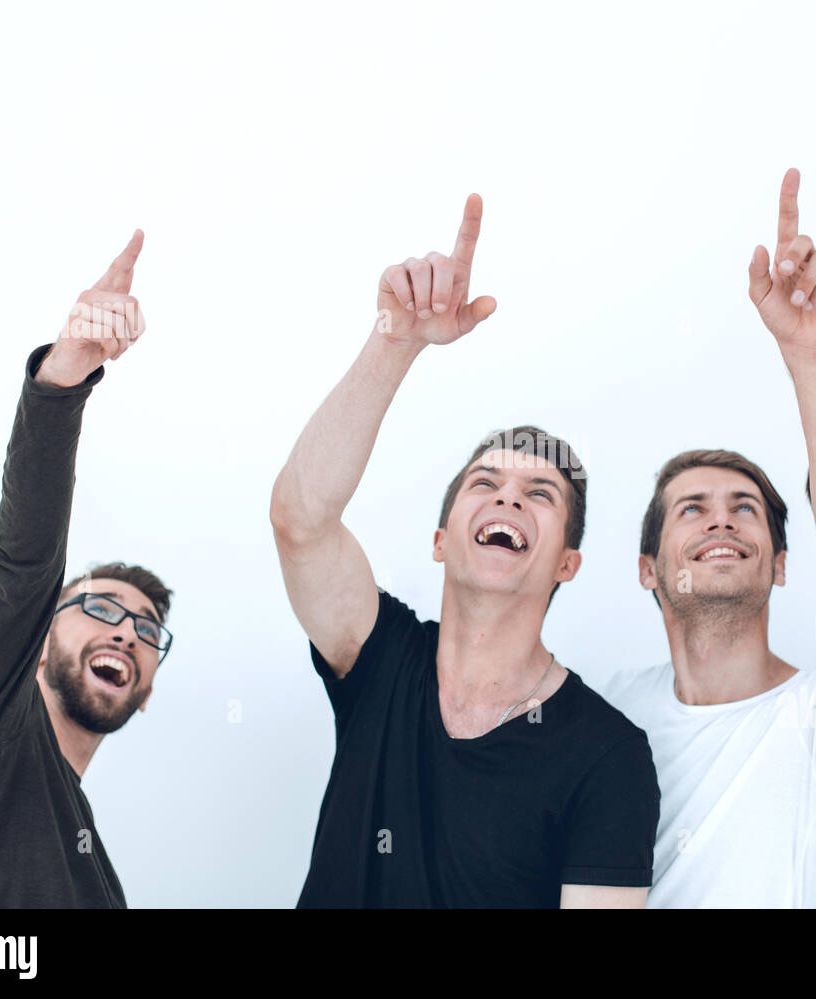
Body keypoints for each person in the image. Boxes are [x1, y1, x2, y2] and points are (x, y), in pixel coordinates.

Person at [271, 194, 660, 908]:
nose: (509, 498)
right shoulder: (379, 656)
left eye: (540, 493)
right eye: (487, 482)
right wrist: (395, 340)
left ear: (567, 563)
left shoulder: (608, 754)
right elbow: (302, 519)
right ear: (443, 538)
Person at [603, 171, 816, 907]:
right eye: (692, 509)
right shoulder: (605, 711)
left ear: (781, 565)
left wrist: (812, 355)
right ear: (648, 568)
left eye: (744, 508)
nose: (721, 519)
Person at [0, 231, 174, 908]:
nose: (126, 631)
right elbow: (22, 566)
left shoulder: (102, 885)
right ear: (41, 639)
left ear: (148, 691)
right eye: (101, 607)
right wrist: (65, 380)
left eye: (145, 628)